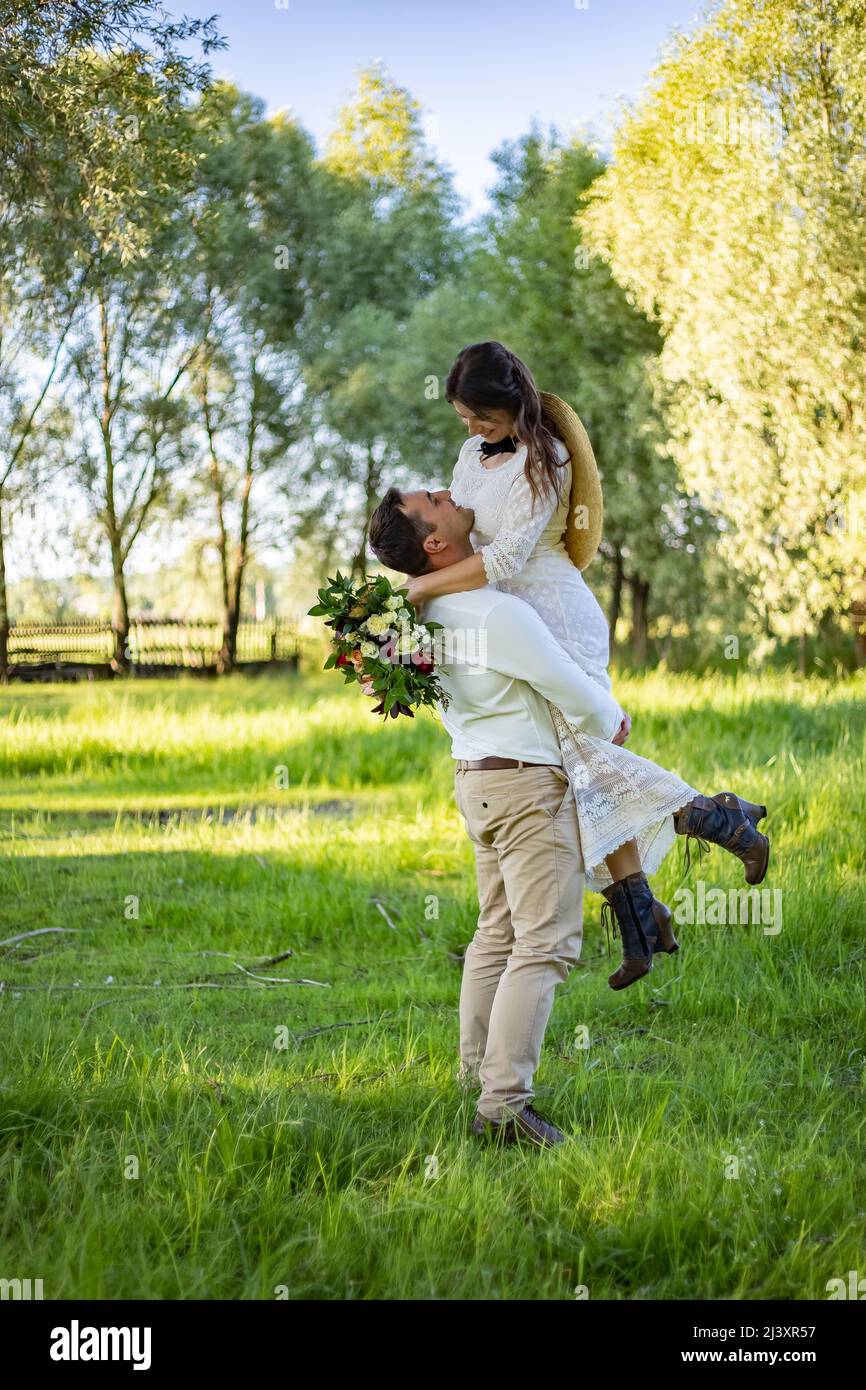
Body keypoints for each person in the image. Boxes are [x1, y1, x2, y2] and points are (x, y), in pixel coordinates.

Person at [395, 341, 770, 989]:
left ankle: (708, 830)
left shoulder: (549, 457)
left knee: (585, 763)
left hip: (551, 611)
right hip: (504, 614)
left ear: (512, 404)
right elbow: (460, 531)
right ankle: (647, 907)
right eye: (464, 420)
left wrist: (425, 589)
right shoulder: (469, 454)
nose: (473, 431)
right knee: (581, 774)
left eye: (482, 417)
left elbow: (509, 555)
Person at [368, 484, 625, 1146]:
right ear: (434, 541)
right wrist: (613, 721)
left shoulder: (424, 622)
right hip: (526, 788)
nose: (447, 491)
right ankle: (503, 1107)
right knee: (545, 944)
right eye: (432, 498)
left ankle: (473, 1080)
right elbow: (570, 687)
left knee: (497, 936)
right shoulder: (491, 615)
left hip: (477, 783)